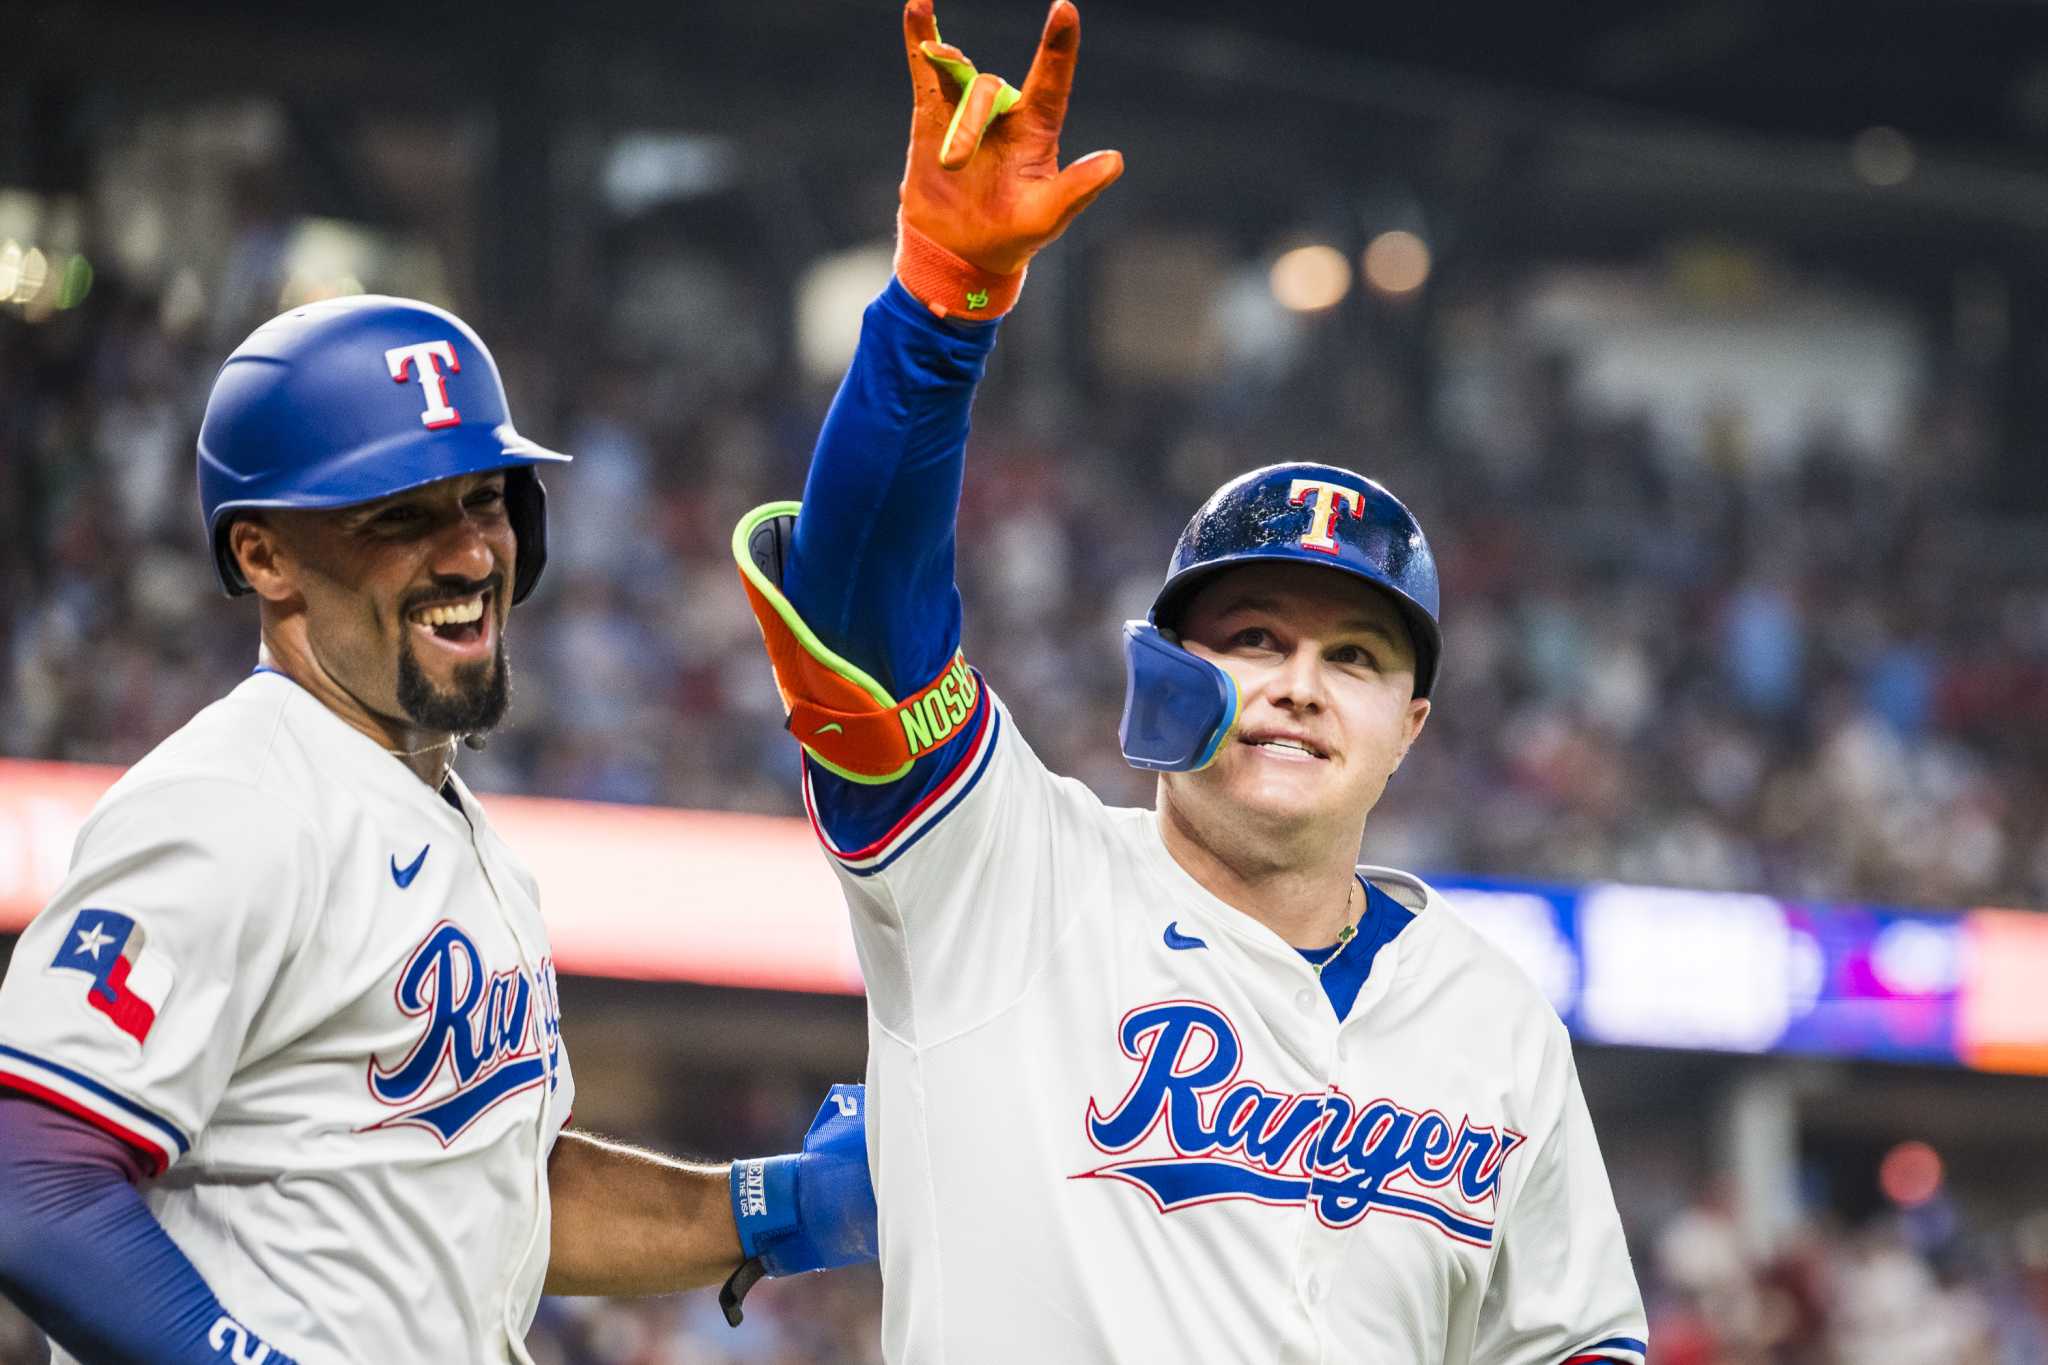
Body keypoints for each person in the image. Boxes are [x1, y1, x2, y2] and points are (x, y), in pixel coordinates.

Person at [729, 1, 1650, 1359]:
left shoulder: (1496, 1024)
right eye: (1255, 637)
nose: (1297, 684)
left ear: (1413, 727)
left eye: (1354, 658)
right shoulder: (1003, 881)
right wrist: (939, 312)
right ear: (1169, 671)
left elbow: (1575, 1343)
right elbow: (863, 627)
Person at [0, 295, 875, 1364]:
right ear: (267, 556)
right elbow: (28, 1166)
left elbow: (494, 1188)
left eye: (483, 500)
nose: (468, 557)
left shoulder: (450, 828)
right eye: (400, 517)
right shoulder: (230, 805)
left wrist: (772, 1206)